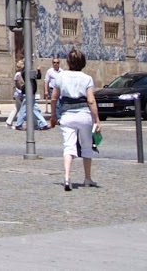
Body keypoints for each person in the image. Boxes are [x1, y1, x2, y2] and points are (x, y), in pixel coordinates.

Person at [50, 48, 101, 191]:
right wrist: (97, 120)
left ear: (67, 62)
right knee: (86, 146)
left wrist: (53, 115)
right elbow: (91, 101)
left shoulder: (60, 77)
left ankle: (67, 177)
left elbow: (54, 98)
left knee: (69, 146)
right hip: (84, 115)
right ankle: (87, 178)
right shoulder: (87, 78)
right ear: (83, 62)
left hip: (67, 116)